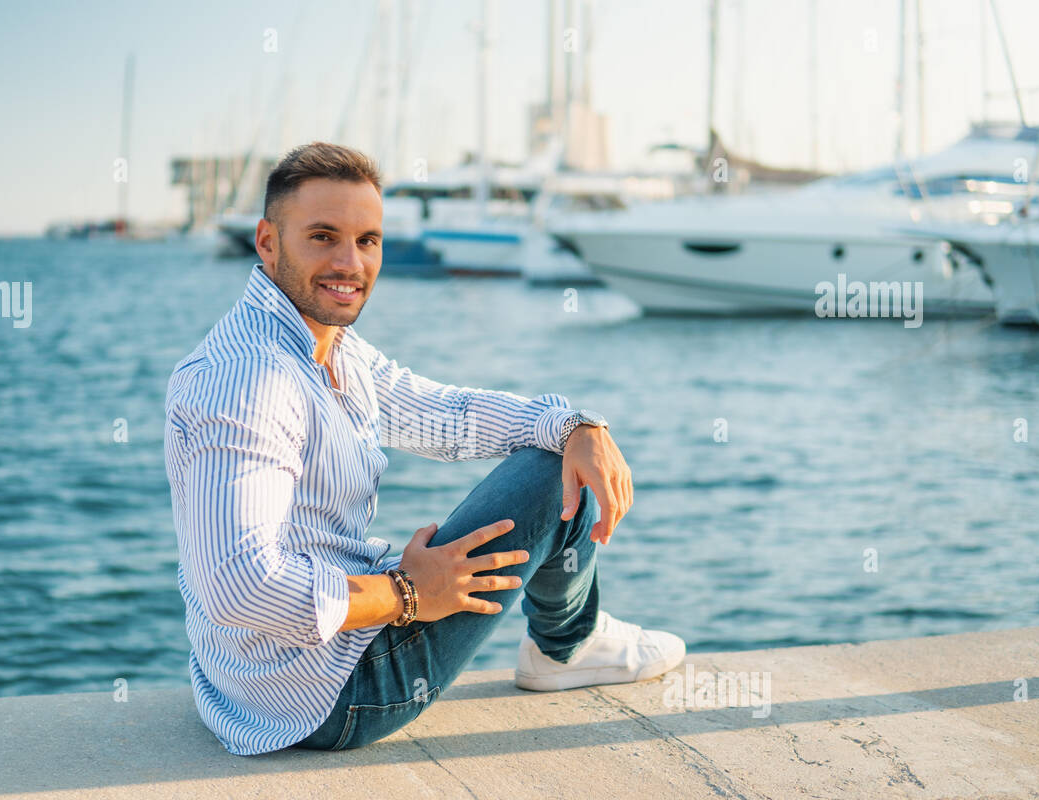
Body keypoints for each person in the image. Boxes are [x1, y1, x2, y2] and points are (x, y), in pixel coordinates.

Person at [164, 142, 685, 757]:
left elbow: (446, 416)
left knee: (555, 443)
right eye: (323, 237)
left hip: (253, 684)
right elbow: (239, 586)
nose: (349, 263)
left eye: (367, 241)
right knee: (548, 474)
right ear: (268, 242)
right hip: (331, 694)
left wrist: (576, 424)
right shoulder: (251, 380)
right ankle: (568, 645)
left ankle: (565, 638)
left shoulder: (328, 347)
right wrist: (409, 592)